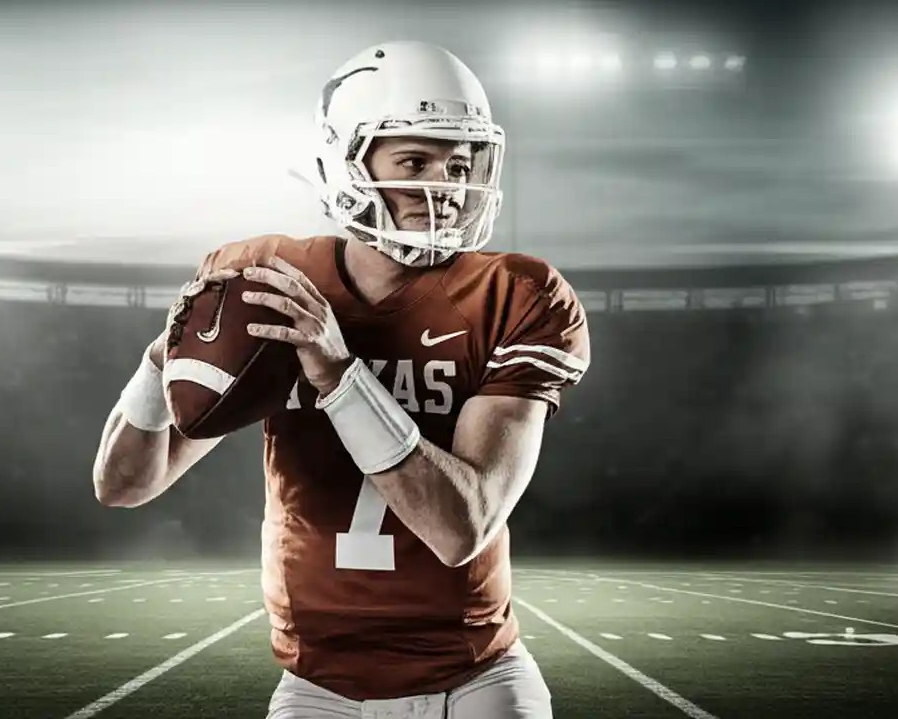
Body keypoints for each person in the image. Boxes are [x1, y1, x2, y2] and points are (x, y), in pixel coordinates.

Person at [93, 40, 590, 719]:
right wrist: (162, 359)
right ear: (345, 163)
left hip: (476, 680)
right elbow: (122, 485)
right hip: (317, 687)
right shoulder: (273, 284)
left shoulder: (513, 294)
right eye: (414, 161)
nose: (444, 187)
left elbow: (460, 528)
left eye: (459, 163)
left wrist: (338, 374)